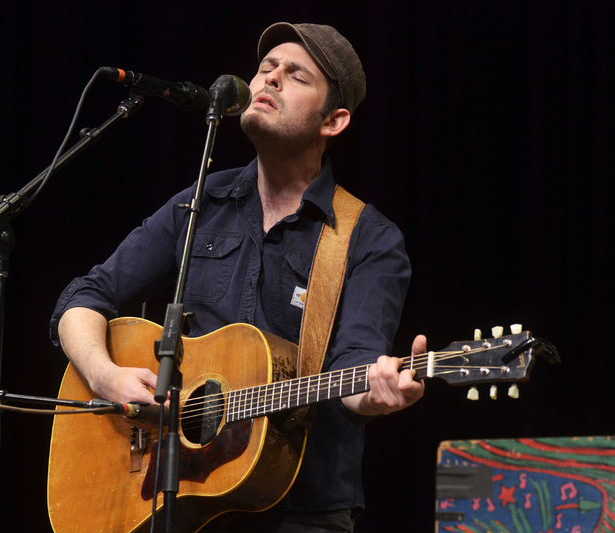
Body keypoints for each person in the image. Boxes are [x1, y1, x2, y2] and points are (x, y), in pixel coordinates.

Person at [50, 22, 426, 533]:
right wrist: (105, 376)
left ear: (333, 121)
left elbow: (354, 372)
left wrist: (378, 391)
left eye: (295, 76)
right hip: (175, 500)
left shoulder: (368, 239)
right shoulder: (198, 203)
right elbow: (84, 299)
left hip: (300, 511)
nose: (268, 80)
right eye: (265, 68)